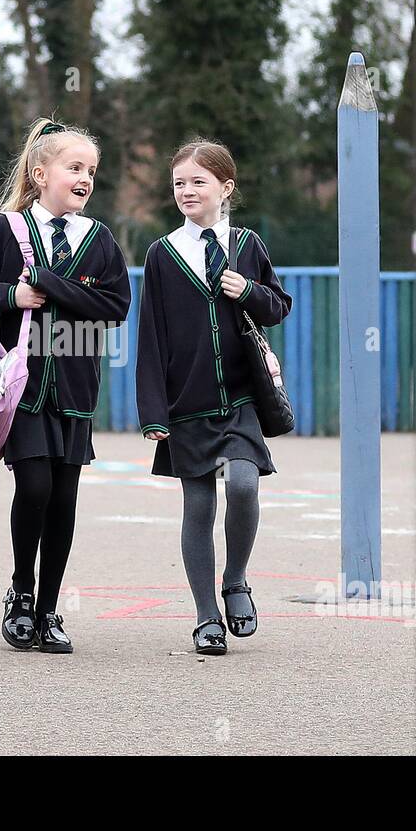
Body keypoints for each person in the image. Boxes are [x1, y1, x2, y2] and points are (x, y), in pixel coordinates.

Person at [0, 117, 131, 654]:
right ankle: (21, 595)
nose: (85, 178)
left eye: (91, 171)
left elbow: (115, 306)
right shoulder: (7, 230)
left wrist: (49, 284)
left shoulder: (98, 239)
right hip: (21, 390)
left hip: (75, 390)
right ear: (40, 171)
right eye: (74, 167)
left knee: (65, 500)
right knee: (35, 489)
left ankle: (51, 610)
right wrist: (12, 297)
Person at [135, 139, 292, 655]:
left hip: (241, 399)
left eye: (198, 182)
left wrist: (247, 290)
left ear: (225, 189)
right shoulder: (162, 254)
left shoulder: (247, 244)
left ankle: (237, 580)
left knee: (244, 485)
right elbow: (151, 339)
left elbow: (277, 305)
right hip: (186, 404)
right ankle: (206, 617)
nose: (186, 191)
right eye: (179, 182)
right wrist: (153, 412)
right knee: (197, 505)